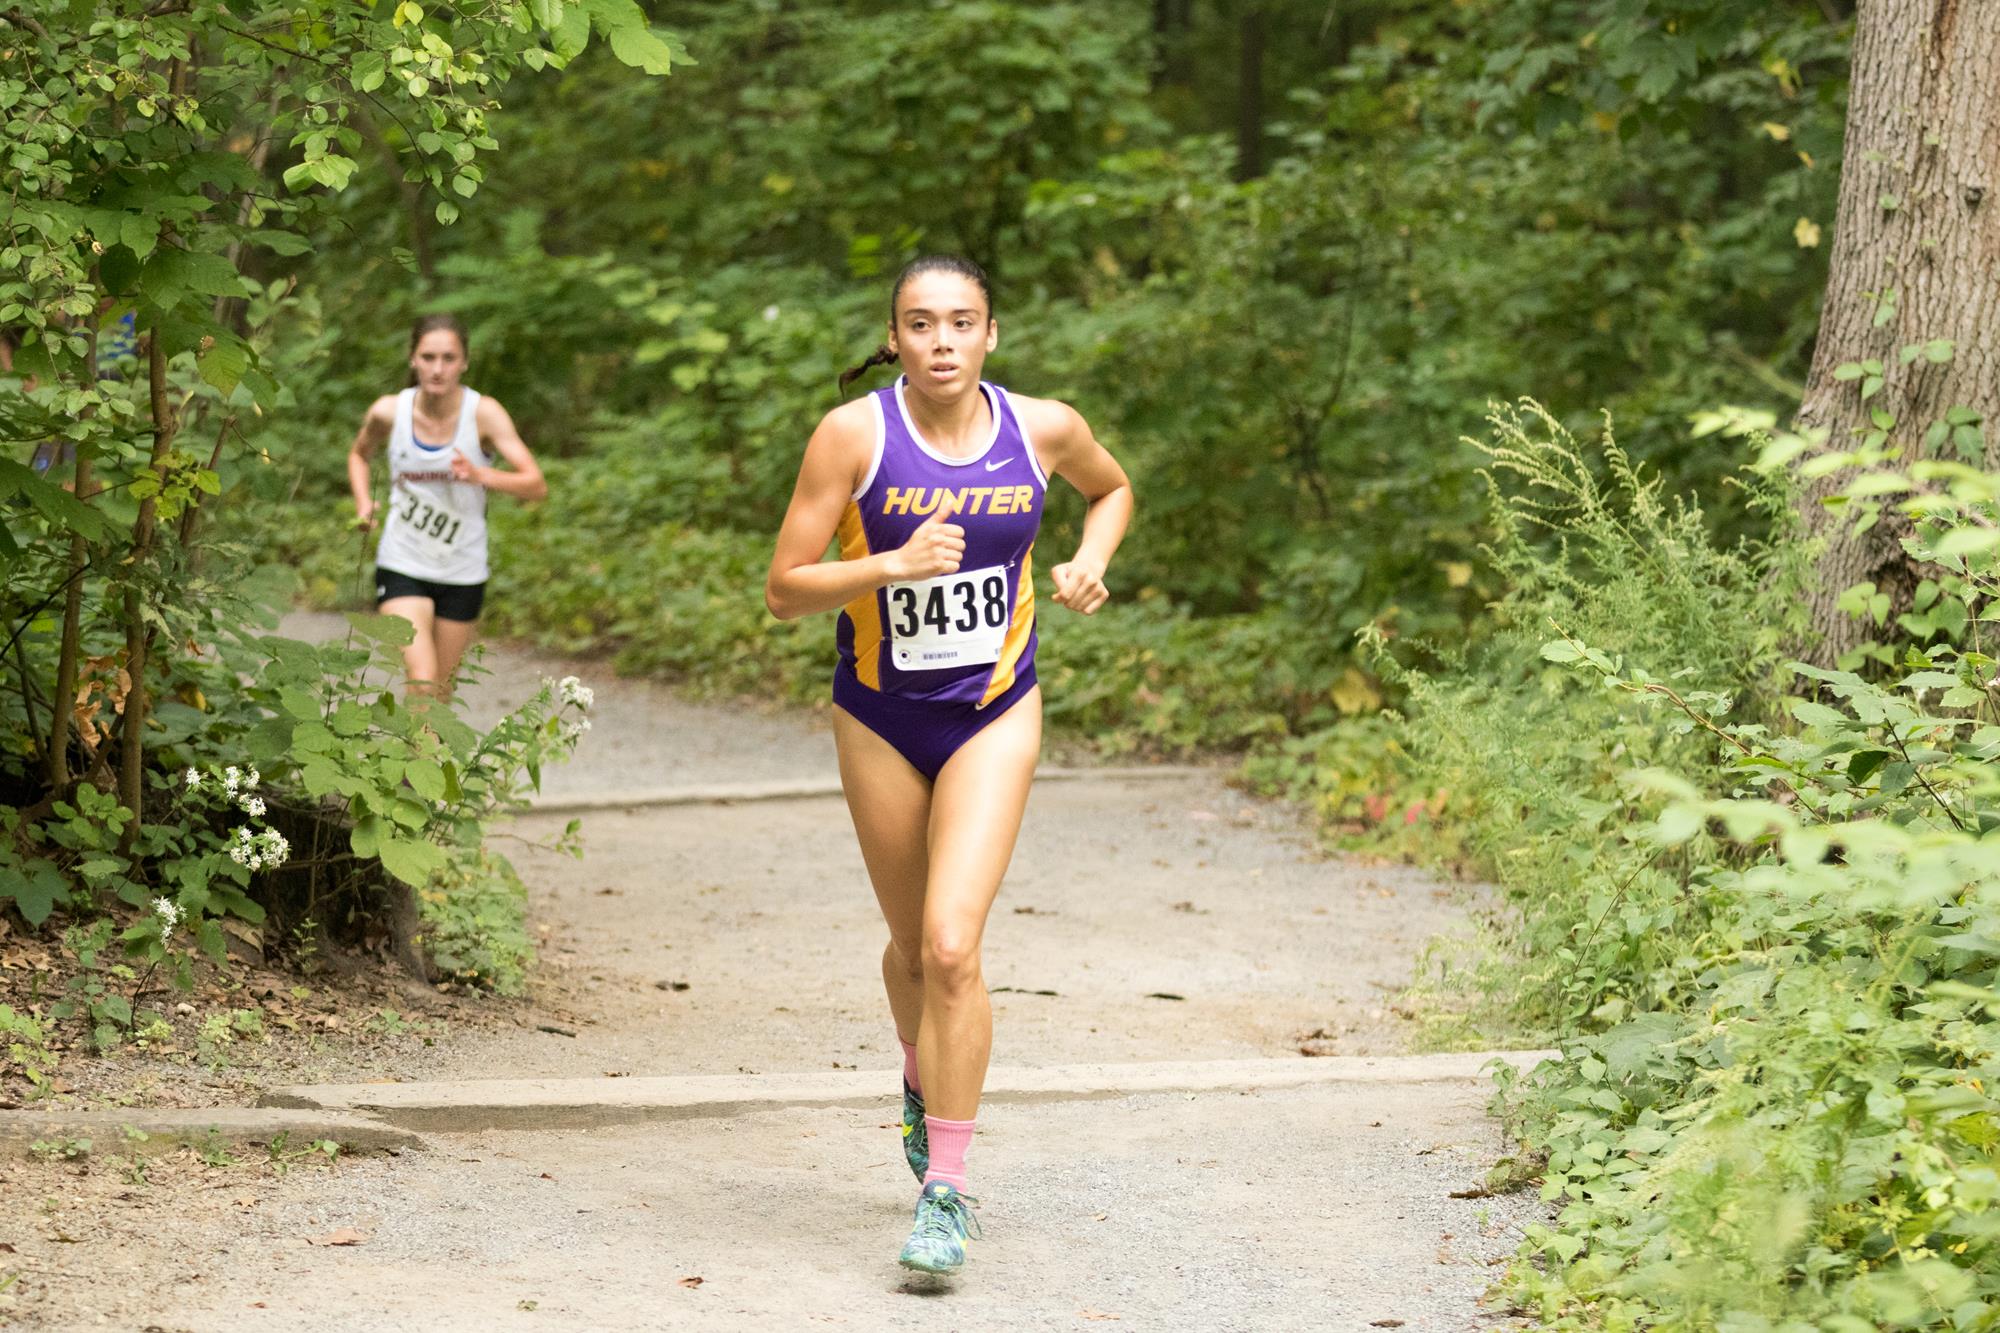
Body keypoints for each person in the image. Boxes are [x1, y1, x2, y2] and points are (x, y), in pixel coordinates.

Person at [764, 256, 1133, 1276]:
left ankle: (945, 1193)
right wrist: (886, 564)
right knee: (908, 951)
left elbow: (1111, 490)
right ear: (895, 339)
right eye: (919, 323)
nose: (939, 341)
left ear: (989, 334)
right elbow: (785, 589)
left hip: (993, 711)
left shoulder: (1042, 429)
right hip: (879, 715)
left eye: (959, 322)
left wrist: (1088, 560)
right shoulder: (852, 435)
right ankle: (919, 1074)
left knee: (951, 943)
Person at [346, 314, 546, 699]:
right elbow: (359, 455)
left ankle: (419, 758)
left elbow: (535, 485)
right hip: (403, 561)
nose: (438, 369)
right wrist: (362, 502)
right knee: (421, 677)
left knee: (440, 691)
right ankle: (411, 759)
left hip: (462, 569)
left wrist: (480, 475)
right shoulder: (390, 411)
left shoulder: (483, 414)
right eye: (428, 357)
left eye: (449, 358)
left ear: (464, 362)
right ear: (412, 359)